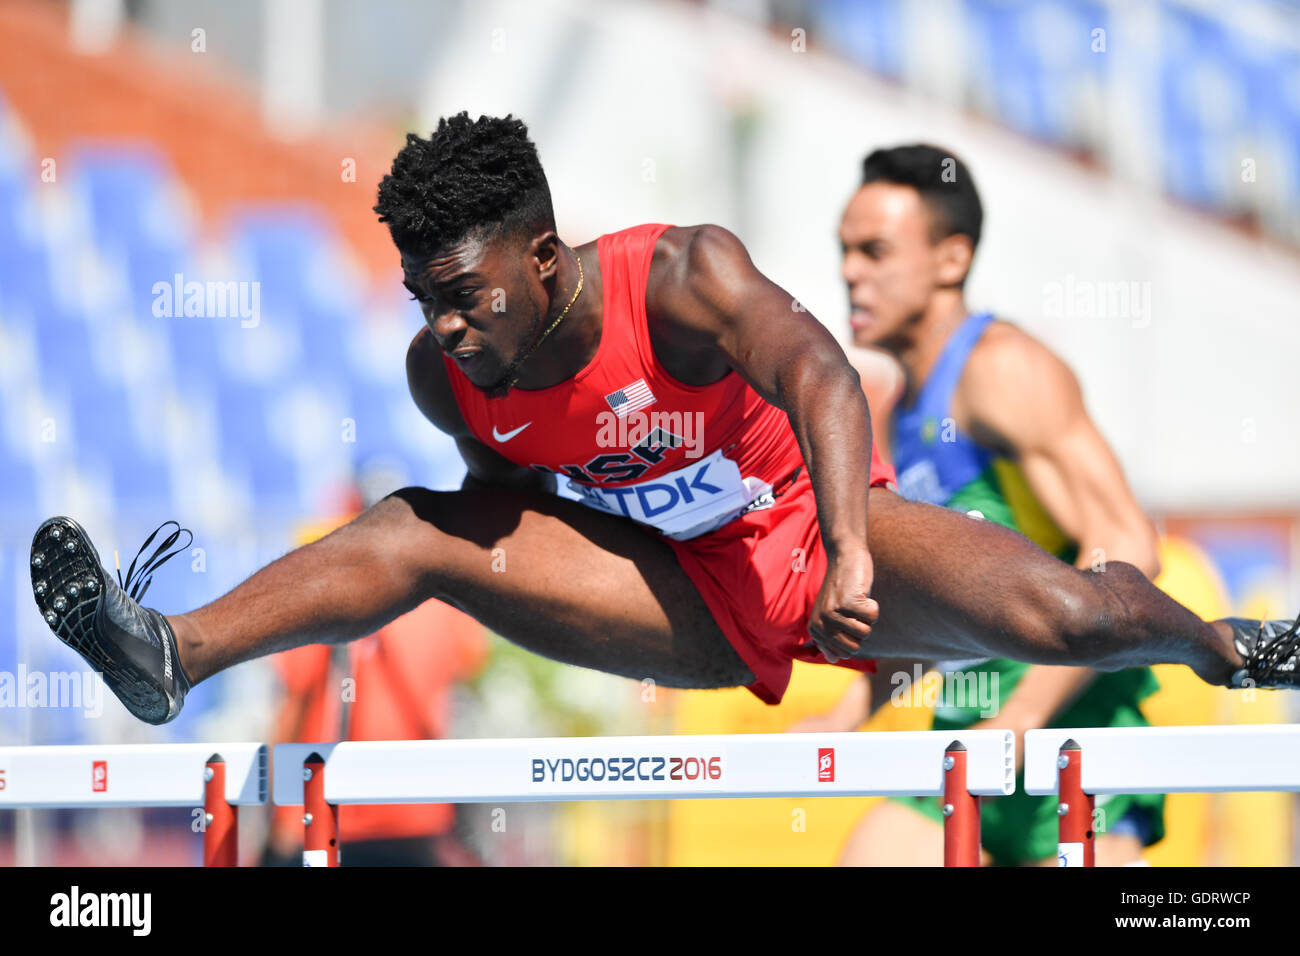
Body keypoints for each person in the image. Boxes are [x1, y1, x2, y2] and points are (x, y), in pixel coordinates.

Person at [28, 113, 1299, 734]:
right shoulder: (447, 374)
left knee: (1070, 616)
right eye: (425, 301)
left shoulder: (681, 277)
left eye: (466, 297)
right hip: (676, 600)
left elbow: (820, 375)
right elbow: (518, 515)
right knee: (420, 527)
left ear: (544, 253)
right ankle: (173, 652)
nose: (447, 329)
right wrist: (551, 585)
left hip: (811, 545)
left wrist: (854, 545)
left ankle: (1227, 643)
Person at [793, 144, 1168, 866]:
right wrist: (843, 715)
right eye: (844, 250)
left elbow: (1131, 547)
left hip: (1073, 749)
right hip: (966, 742)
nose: (848, 273)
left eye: (874, 251)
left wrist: (1020, 721)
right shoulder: (896, 409)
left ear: (951, 259)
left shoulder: (1005, 370)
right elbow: (945, 604)